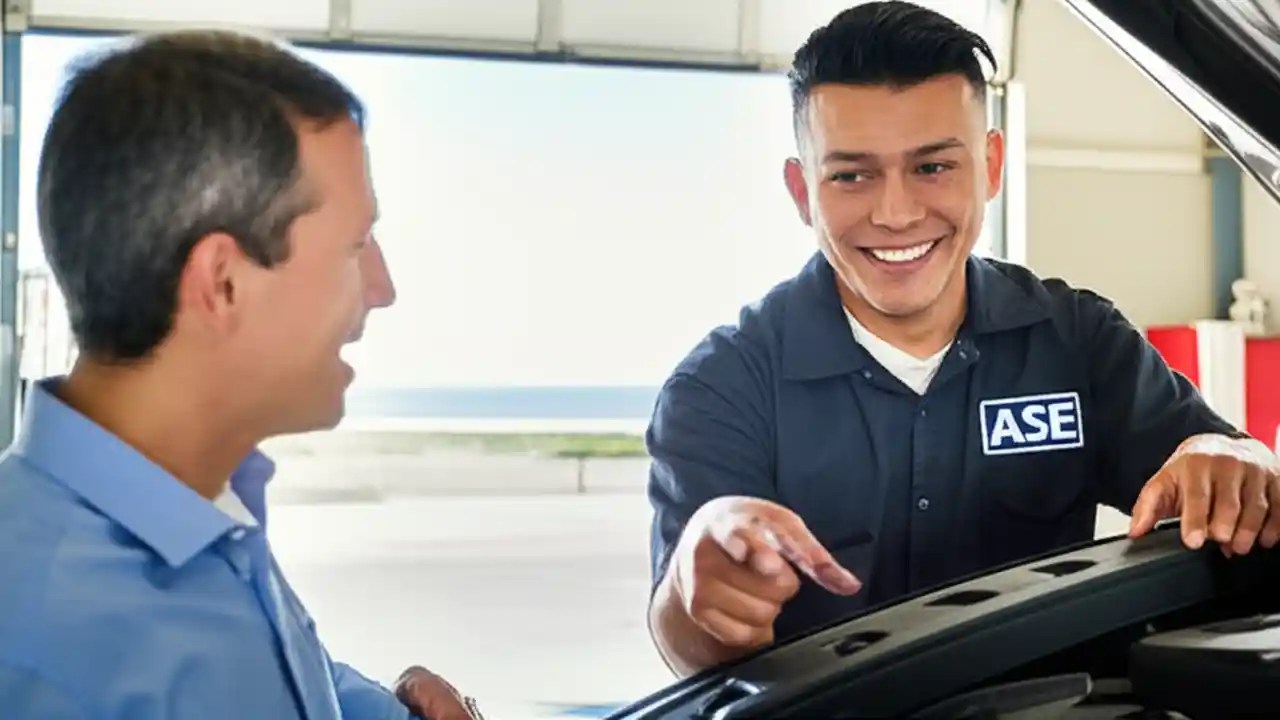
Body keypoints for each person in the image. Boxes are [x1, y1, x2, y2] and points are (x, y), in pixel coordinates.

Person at [645, 0, 1280, 677]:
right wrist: (697, 591)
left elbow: (1234, 483)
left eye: (933, 167)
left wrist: (1234, 456)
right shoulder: (721, 387)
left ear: (992, 165)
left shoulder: (1080, 343)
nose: (895, 214)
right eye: (851, 175)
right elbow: (685, 644)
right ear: (804, 192)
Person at [0, 31, 482, 720]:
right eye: (354, 247)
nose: (383, 288)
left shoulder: (196, 514)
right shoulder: (46, 657)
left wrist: (381, 711)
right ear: (223, 284)